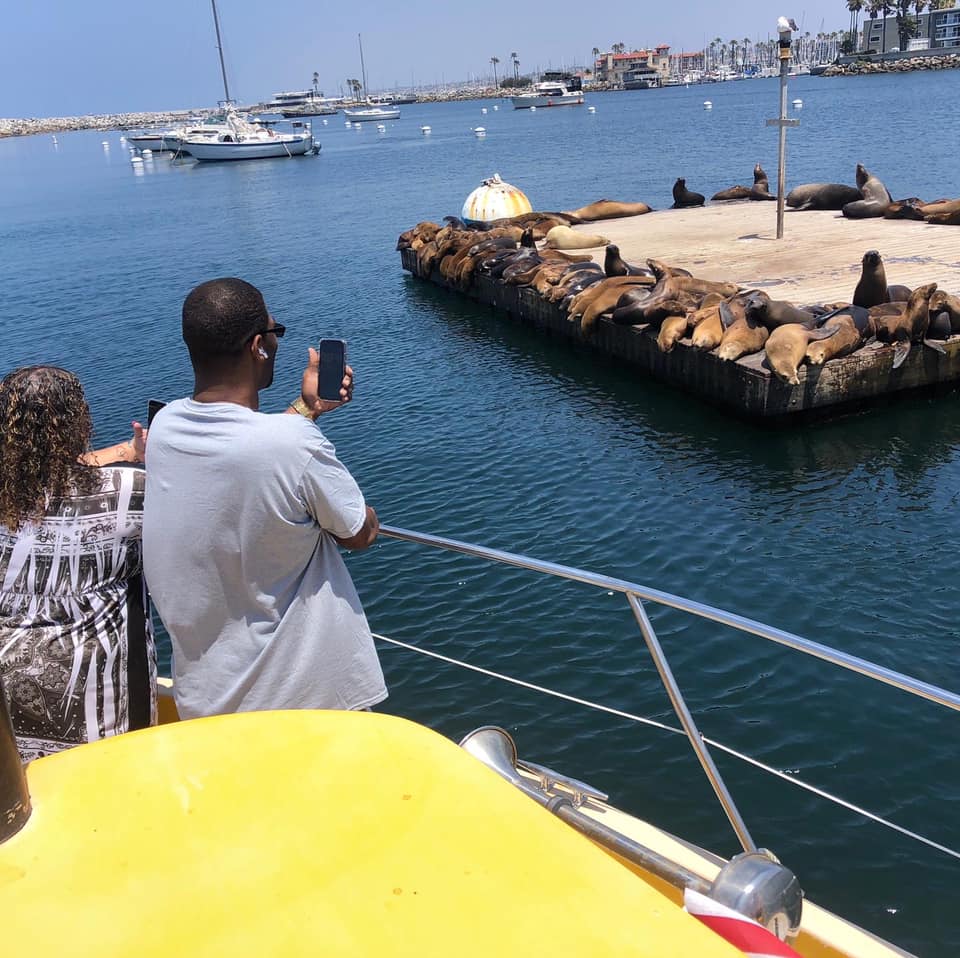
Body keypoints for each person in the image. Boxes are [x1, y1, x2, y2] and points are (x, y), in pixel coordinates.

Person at [142, 277, 386, 719]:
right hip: (304, 707)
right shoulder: (293, 444)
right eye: (275, 334)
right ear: (258, 346)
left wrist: (308, 407)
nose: (276, 344)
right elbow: (358, 532)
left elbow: (244, 446)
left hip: (207, 705)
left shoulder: (164, 428)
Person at [0, 366, 157, 762]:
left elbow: (47, 473)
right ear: (79, 421)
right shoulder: (129, 494)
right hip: (97, 701)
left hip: (9, 703)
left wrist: (127, 451)